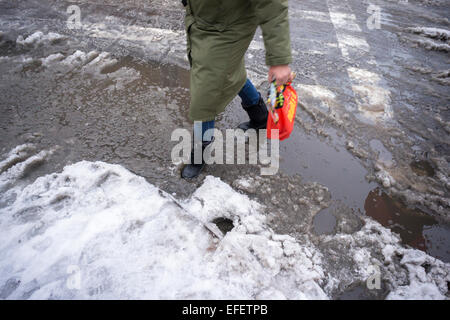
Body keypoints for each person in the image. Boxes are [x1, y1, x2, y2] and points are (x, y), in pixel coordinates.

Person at [181, 0, 293, 179]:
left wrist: (279, 60)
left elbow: (273, 5)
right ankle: (260, 116)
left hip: (229, 27)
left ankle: (202, 148)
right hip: (202, 18)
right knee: (227, 72)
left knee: (206, 89)